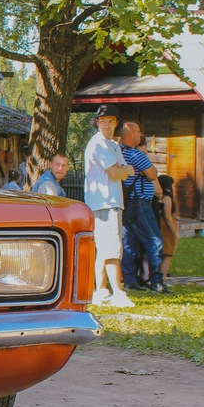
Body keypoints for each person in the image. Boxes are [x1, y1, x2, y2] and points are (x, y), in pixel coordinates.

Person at [83, 104, 136, 308]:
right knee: (112, 248)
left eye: (110, 121)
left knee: (105, 248)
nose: (106, 124)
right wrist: (125, 170)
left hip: (112, 201)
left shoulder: (111, 144)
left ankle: (101, 290)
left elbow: (122, 169)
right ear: (97, 123)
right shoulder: (98, 144)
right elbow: (117, 172)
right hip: (103, 202)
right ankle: (118, 292)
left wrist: (123, 169)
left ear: (116, 123)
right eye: (102, 121)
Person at [119, 121, 166, 293]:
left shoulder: (120, 153)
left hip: (127, 203)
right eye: (138, 132)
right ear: (130, 135)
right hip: (140, 202)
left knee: (129, 243)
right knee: (155, 241)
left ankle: (130, 280)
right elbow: (153, 174)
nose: (141, 135)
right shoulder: (134, 154)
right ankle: (156, 281)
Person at [156, 174, 178, 280]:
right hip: (166, 228)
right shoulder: (167, 198)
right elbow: (167, 216)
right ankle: (162, 278)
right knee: (168, 253)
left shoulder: (158, 197)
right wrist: (173, 230)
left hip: (160, 226)